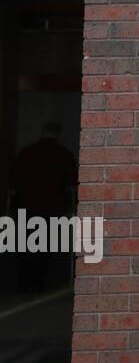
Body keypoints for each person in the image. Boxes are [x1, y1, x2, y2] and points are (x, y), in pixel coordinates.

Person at [11, 122, 77, 291]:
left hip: (26, 207)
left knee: (24, 246)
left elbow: (15, 181)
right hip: (52, 207)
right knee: (45, 247)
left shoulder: (27, 153)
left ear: (43, 131)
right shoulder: (64, 155)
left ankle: (24, 283)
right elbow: (71, 185)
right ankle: (39, 283)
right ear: (58, 133)